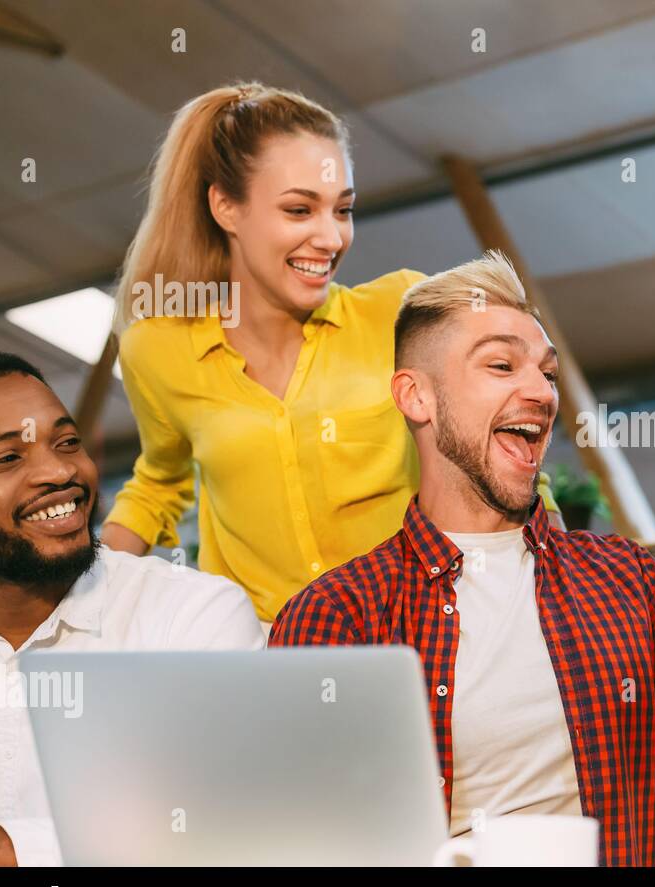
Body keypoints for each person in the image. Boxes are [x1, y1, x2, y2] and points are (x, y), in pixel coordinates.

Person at [271, 253, 655, 865]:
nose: (539, 392)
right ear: (416, 397)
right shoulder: (336, 615)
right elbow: (300, 839)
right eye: (502, 365)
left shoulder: (627, 578)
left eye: (548, 373)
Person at [97, 82, 559, 629]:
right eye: (299, 210)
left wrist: (563, 579)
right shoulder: (158, 348)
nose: (330, 237)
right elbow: (158, 482)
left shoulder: (400, 310)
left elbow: (497, 444)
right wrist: (90, 599)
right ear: (225, 206)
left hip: (419, 631)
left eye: (343, 210)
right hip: (267, 649)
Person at [0, 352, 263, 867]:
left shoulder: (190, 615)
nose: (60, 471)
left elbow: (221, 818)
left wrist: (2, 850)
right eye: (6, 459)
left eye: (67, 442)